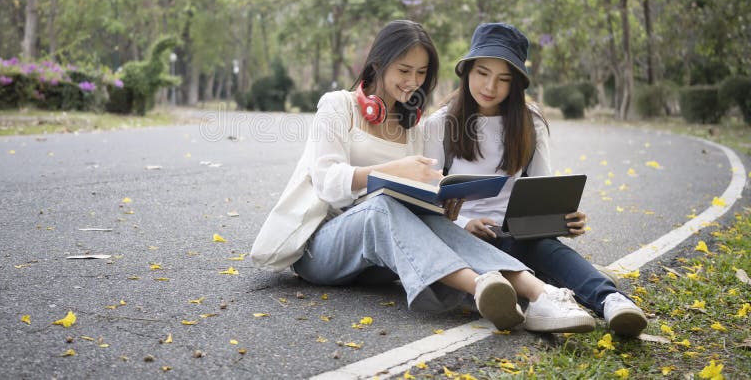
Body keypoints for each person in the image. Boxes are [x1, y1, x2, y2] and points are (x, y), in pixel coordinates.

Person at [251, 19, 595, 333]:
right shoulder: (337, 106)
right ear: (378, 64)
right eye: (404, 70)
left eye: (421, 72)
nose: (413, 81)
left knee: (429, 219)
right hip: (321, 251)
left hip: (381, 262)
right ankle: (481, 286)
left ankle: (543, 296)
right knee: (380, 207)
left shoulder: (412, 128)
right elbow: (327, 181)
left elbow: (418, 200)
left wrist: (444, 206)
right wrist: (389, 172)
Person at [422, 22, 648, 336]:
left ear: (516, 84)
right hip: (463, 238)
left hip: (517, 233)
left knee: (545, 248)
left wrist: (561, 219)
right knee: (534, 260)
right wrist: (463, 224)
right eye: (483, 73)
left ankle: (613, 301)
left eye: (504, 79)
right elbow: (428, 198)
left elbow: (543, 190)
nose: (490, 86)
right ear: (467, 71)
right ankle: (554, 287)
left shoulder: (531, 122)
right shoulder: (440, 124)